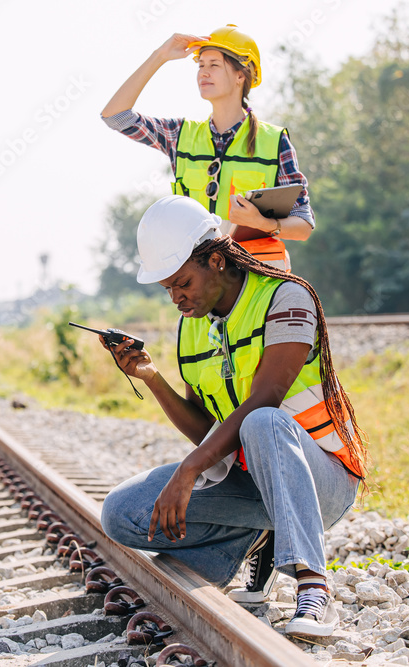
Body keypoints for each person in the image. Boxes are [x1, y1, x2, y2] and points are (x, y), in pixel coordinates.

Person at [98, 196, 367, 637]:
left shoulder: (285, 297)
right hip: (253, 484)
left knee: (262, 421)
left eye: (182, 282)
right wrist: (152, 378)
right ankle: (238, 551)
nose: (176, 297)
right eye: (168, 289)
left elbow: (266, 397)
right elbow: (207, 431)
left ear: (218, 260)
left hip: (324, 483)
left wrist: (189, 470)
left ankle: (314, 587)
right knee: (121, 512)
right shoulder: (192, 327)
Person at [101, 25, 315, 271]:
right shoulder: (180, 135)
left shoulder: (275, 142)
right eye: (200, 65)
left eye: (214, 65)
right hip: (200, 287)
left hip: (258, 285)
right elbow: (115, 116)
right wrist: (160, 56)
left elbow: (303, 225)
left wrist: (263, 223)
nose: (204, 72)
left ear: (240, 75)